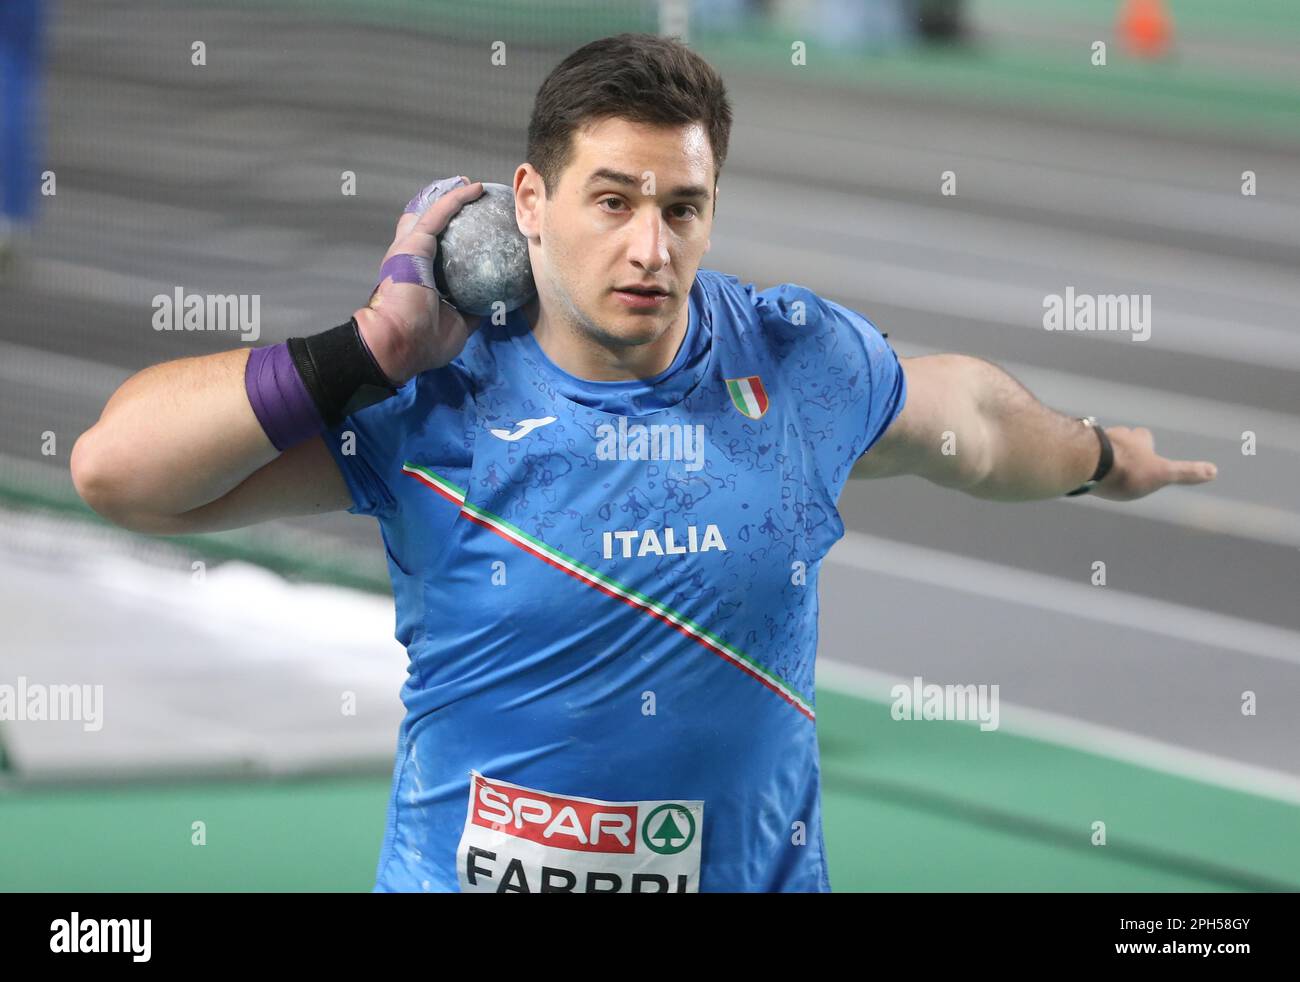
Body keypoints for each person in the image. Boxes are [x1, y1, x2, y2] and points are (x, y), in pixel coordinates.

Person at [71, 33, 1216, 892]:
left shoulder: (796, 364)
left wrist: (1101, 455)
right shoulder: (430, 400)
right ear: (529, 203)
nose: (649, 247)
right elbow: (119, 472)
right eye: (611, 201)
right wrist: (363, 349)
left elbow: (965, 413)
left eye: (683, 206)